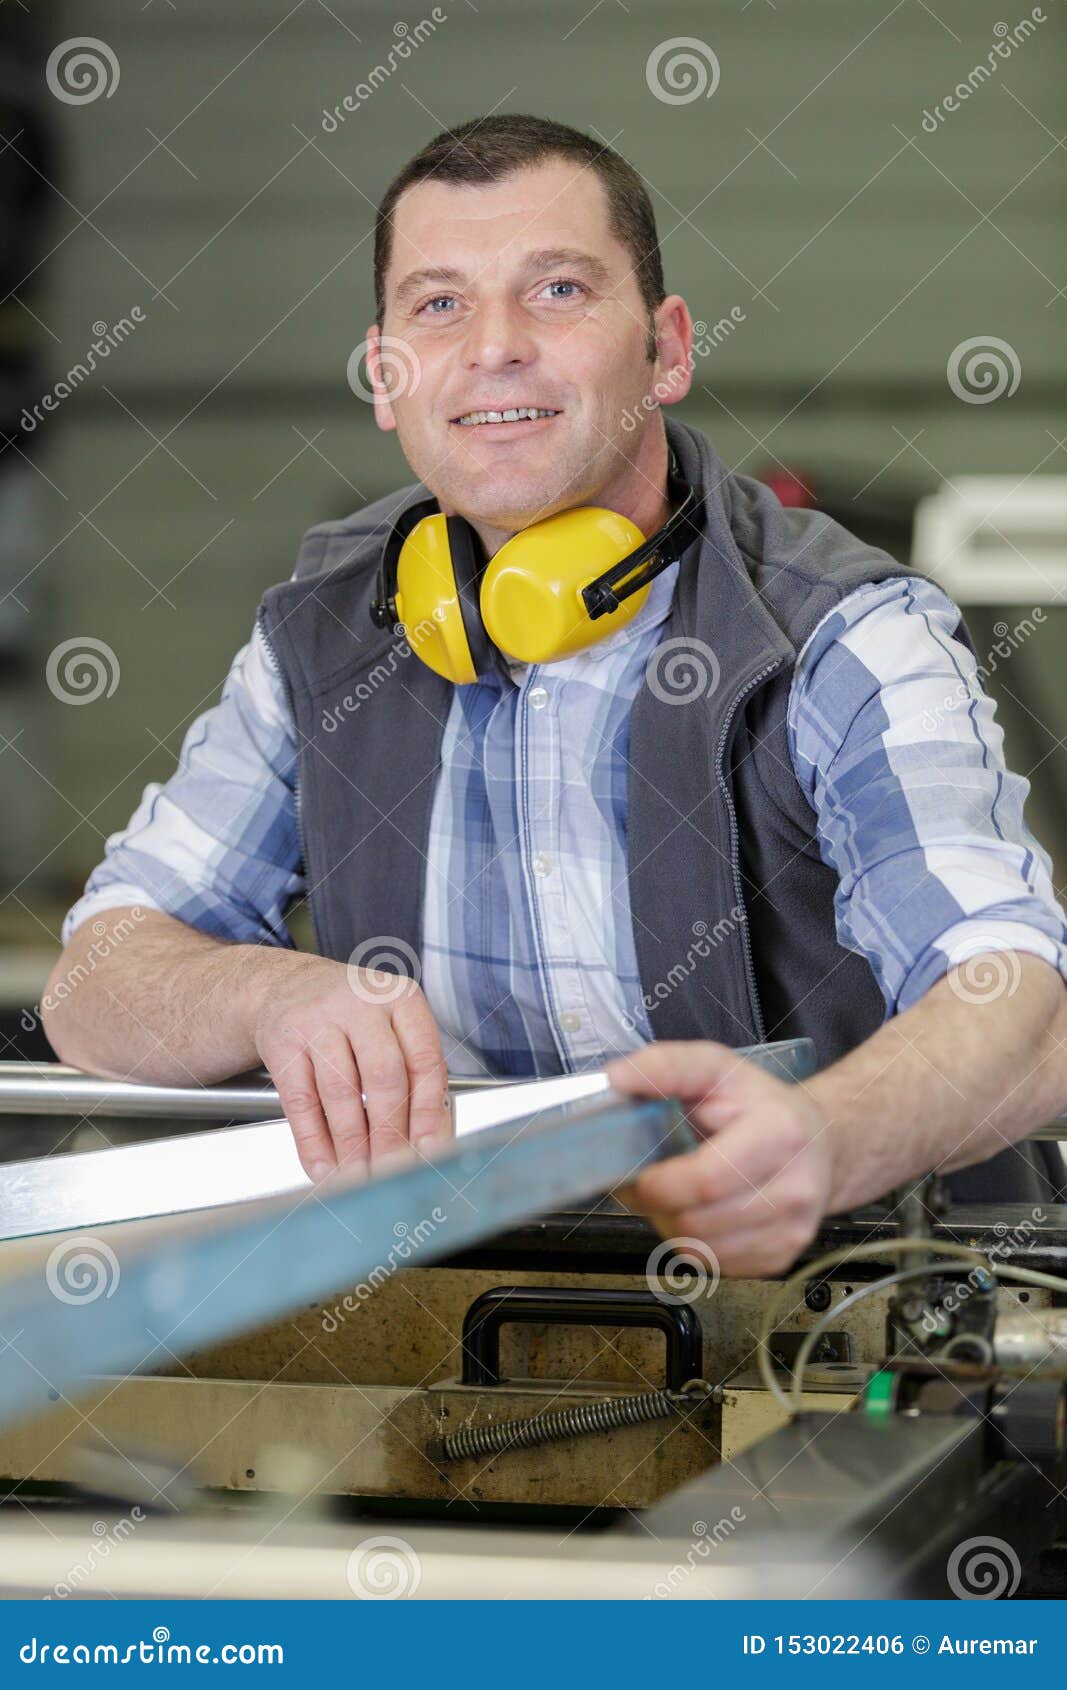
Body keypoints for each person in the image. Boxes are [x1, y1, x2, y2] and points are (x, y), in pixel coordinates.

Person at [44, 115, 1067, 1277]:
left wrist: (827, 1138)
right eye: (437, 305)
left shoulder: (837, 633)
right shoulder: (323, 640)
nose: (493, 347)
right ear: (385, 377)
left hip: (847, 1312)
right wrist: (258, 991)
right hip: (470, 1314)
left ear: (666, 349)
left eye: (558, 290)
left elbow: (1013, 991)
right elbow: (91, 983)